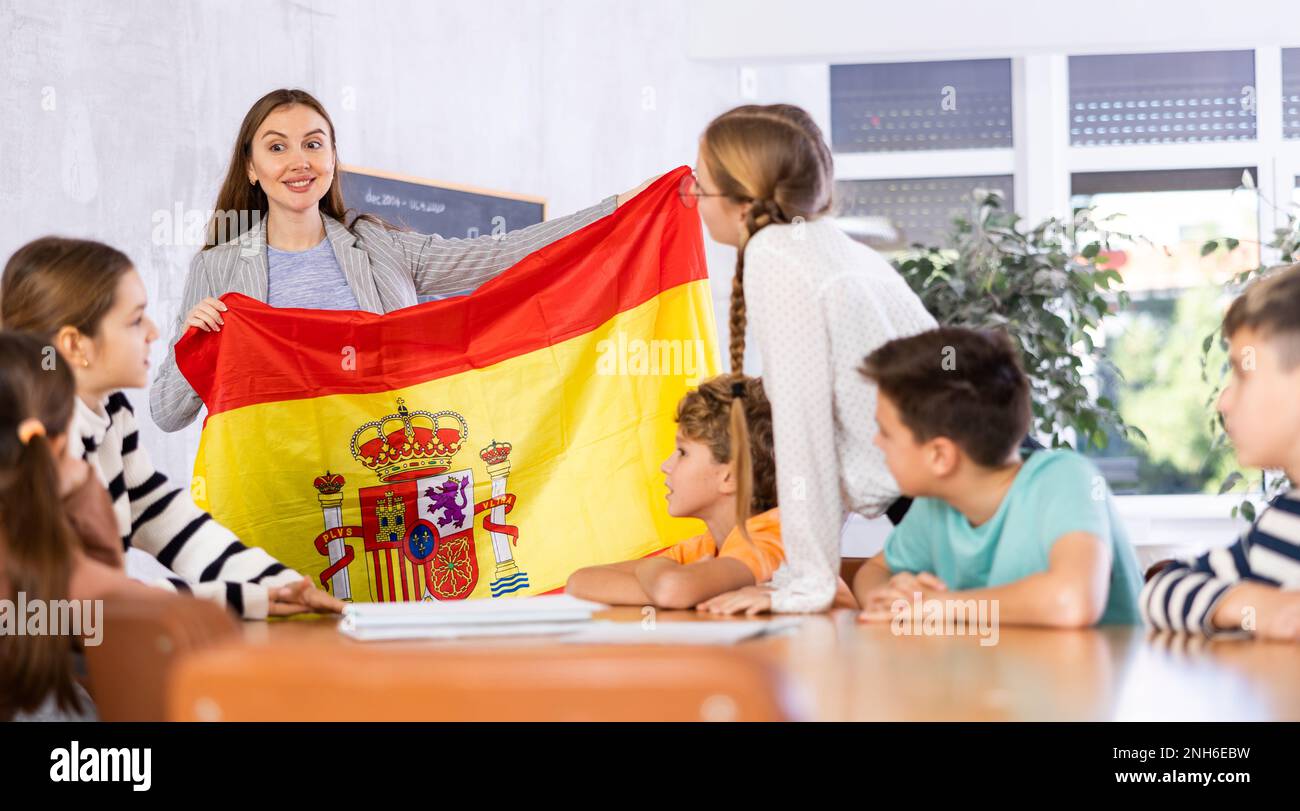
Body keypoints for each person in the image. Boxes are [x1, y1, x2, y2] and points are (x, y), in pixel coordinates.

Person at [151, 87, 655, 432]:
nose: (299, 160)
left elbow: (500, 254)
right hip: (274, 488)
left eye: (313, 143)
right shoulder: (217, 269)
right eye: (277, 147)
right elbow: (166, 412)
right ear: (252, 168)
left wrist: (617, 211)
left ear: (332, 158)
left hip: (384, 475)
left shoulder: (379, 246)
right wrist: (196, 344)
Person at [2, 236, 342, 619]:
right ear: (75, 345)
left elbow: (159, 514)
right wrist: (239, 597)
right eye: (134, 320)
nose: (153, 331)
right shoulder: (37, 440)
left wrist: (276, 583)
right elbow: (78, 605)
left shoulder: (110, 409)